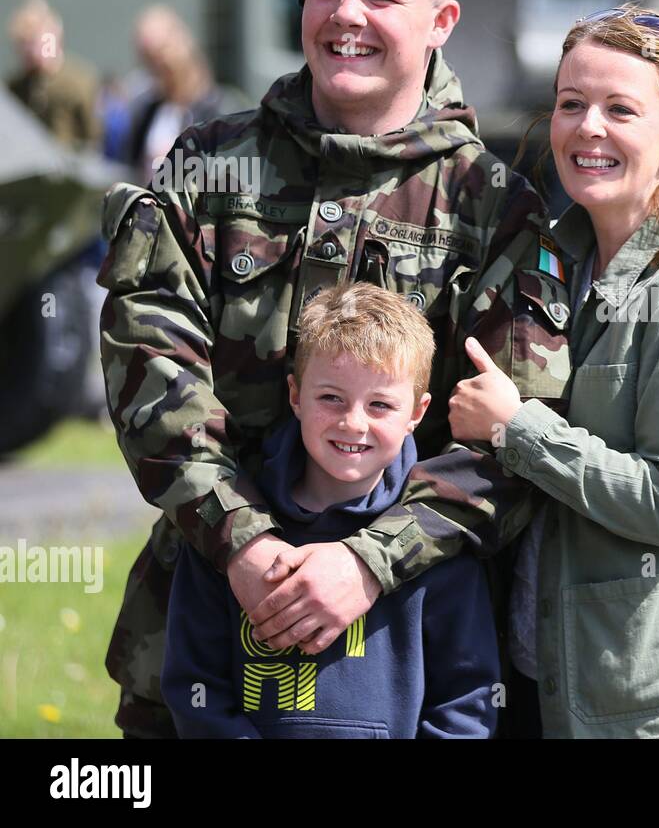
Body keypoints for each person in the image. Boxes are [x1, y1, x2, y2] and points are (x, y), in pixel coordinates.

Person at [99, 0, 569, 738]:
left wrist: (369, 563)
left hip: (404, 650)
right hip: (201, 630)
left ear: (441, 22)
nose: (347, 16)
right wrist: (239, 541)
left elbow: (519, 435)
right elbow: (150, 367)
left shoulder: (492, 208)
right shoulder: (209, 167)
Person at [449, 5, 659, 738]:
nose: (589, 128)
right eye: (571, 104)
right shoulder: (555, 265)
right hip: (562, 683)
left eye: (620, 109)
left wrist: (517, 427)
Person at [162, 284, 499, 738]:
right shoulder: (228, 533)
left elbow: (467, 701)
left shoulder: (440, 545)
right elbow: (195, 685)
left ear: (417, 413)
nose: (353, 422)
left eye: (380, 404)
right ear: (295, 396)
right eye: (331, 398)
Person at [120, 5, 247, 183]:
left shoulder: (223, 110)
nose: (157, 65)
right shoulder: (147, 111)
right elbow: (131, 168)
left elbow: (236, 179)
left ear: (183, 44)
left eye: (161, 52)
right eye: (148, 59)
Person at [6, 0, 102, 149]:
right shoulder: (15, 88)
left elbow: (94, 135)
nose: (31, 51)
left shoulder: (79, 80)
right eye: (24, 45)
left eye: (35, 42)